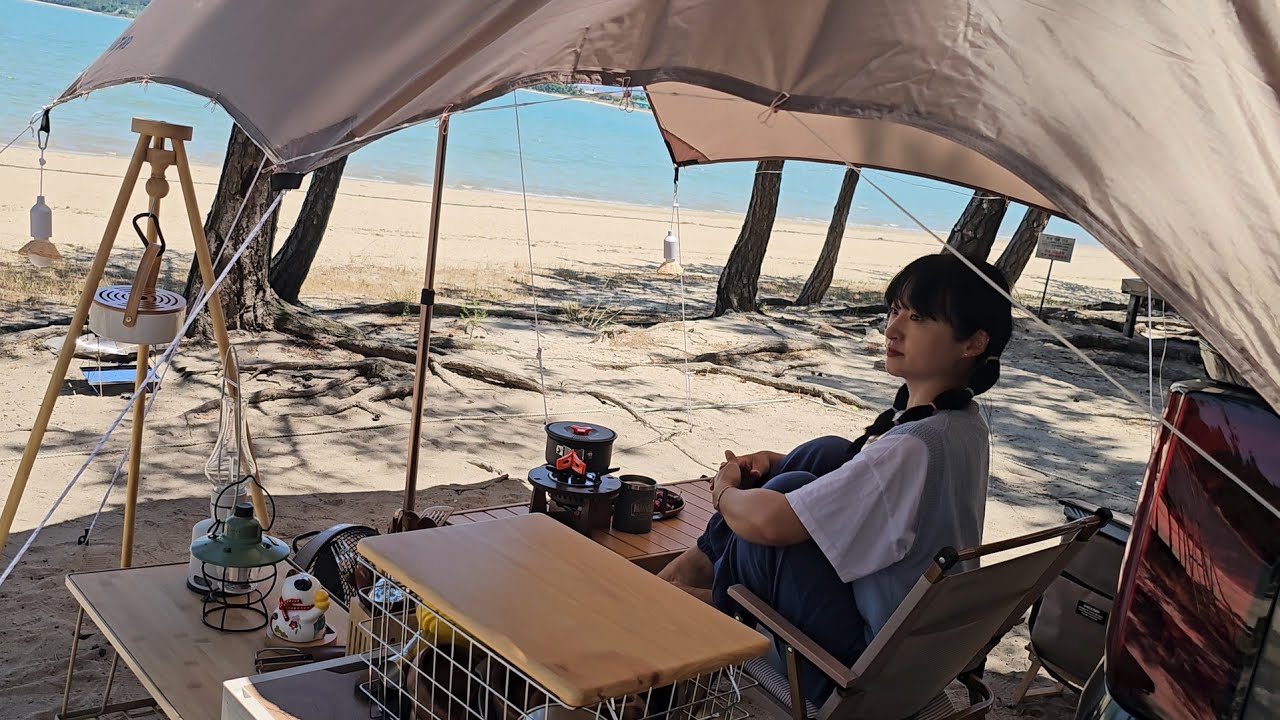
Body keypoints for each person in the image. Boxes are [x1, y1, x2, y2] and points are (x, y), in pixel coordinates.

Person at [658, 253, 1013, 707]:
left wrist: (724, 491)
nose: (894, 329)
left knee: (775, 507)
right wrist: (773, 460)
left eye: (919, 317)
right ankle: (694, 578)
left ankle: (709, 606)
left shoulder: (913, 445)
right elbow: (867, 480)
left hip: (861, 668)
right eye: (894, 311)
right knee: (824, 453)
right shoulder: (962, 422)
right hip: (918, 647)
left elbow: (770, 523)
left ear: (973, 343)